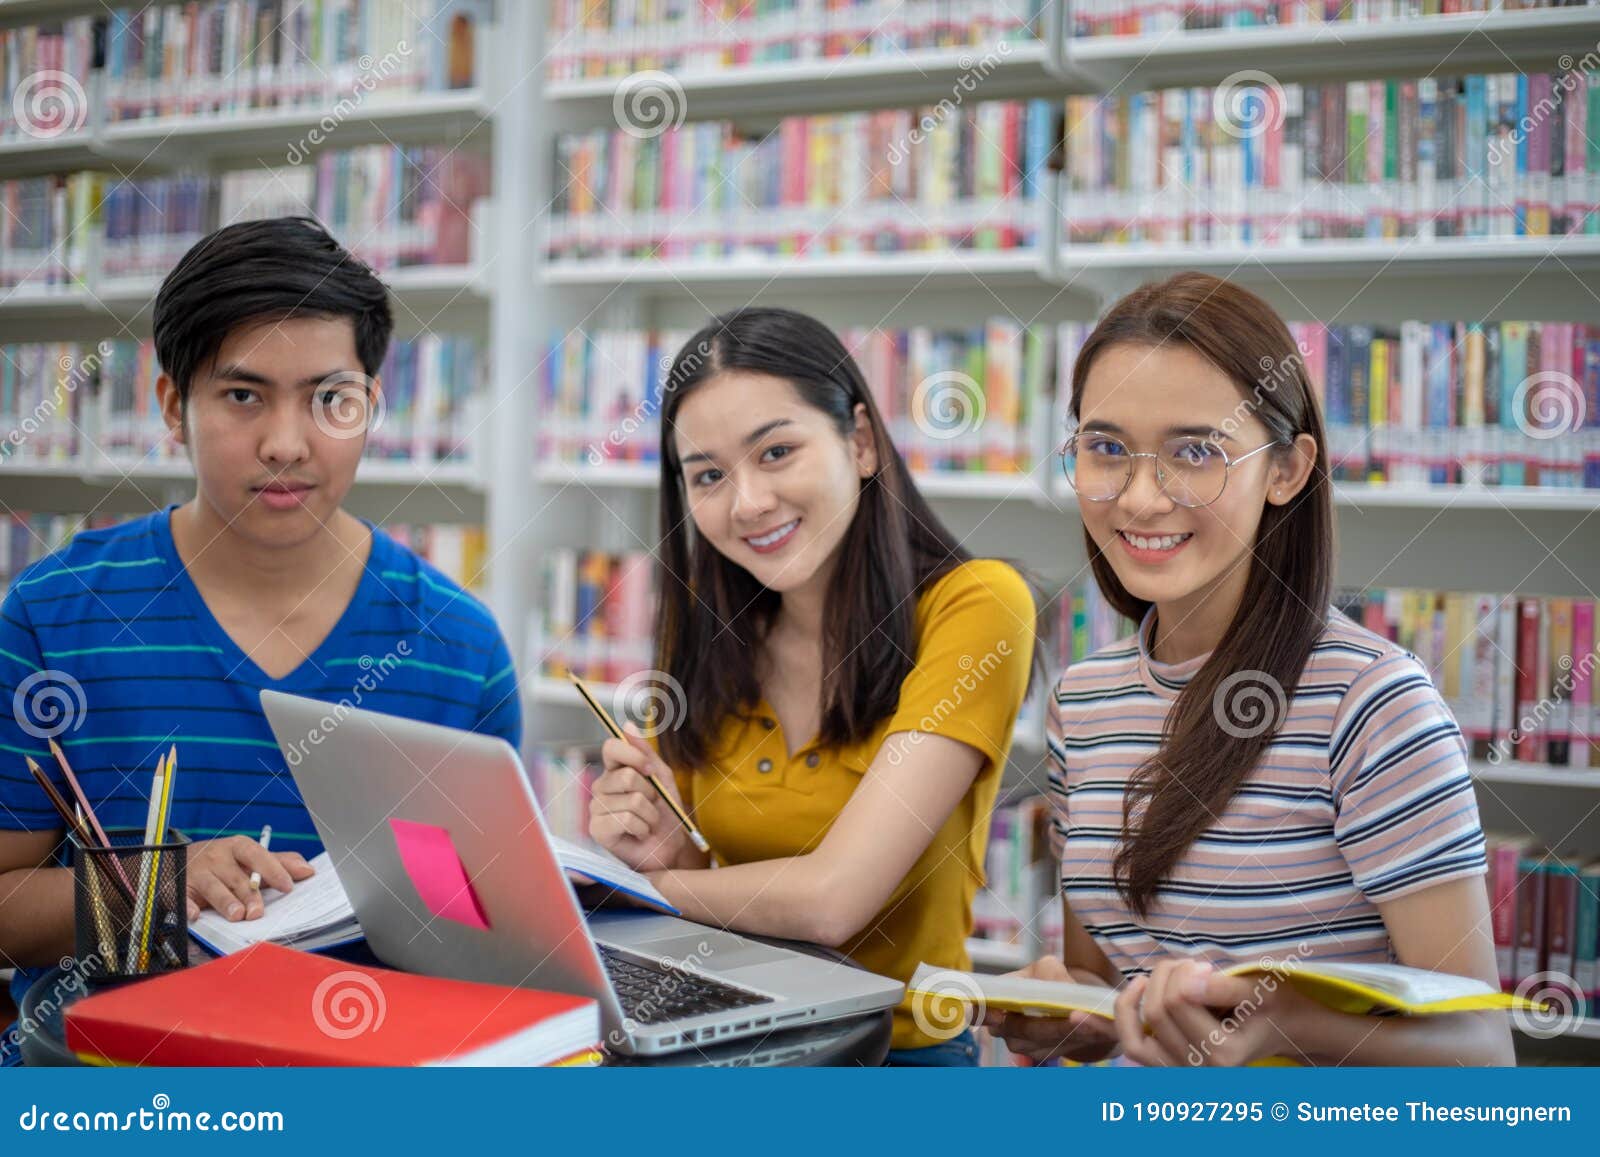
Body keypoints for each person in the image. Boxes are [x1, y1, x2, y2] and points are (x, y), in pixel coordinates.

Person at [0, 218, 520, 1063]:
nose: (286, 444)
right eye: (244, 396)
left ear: (369, 404)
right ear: (174, 406)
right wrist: (152, 892)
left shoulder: (458, 645)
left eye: (329, 399)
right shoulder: (53, 612)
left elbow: (487, 926)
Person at [985, 271, 1511, 1067]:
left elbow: (1486, 1056)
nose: (1140, 498)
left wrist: (1288, 1020)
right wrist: (1076, 1015)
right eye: (1107, 448)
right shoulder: (1082, 703)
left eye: (1195, 452)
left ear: (1287, 469)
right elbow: (1113, 983)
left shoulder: (1372, 704)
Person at [587, 307, 1038, 1065]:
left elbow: (834, 900)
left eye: (777, 451)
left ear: (860, 442)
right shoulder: (703, 633)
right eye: (709, 475)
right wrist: (674, 855)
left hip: (895, 1058)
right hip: (723, 1040)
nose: (748, 503)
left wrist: (637, 890)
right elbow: (724, 906)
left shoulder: (979, 605)